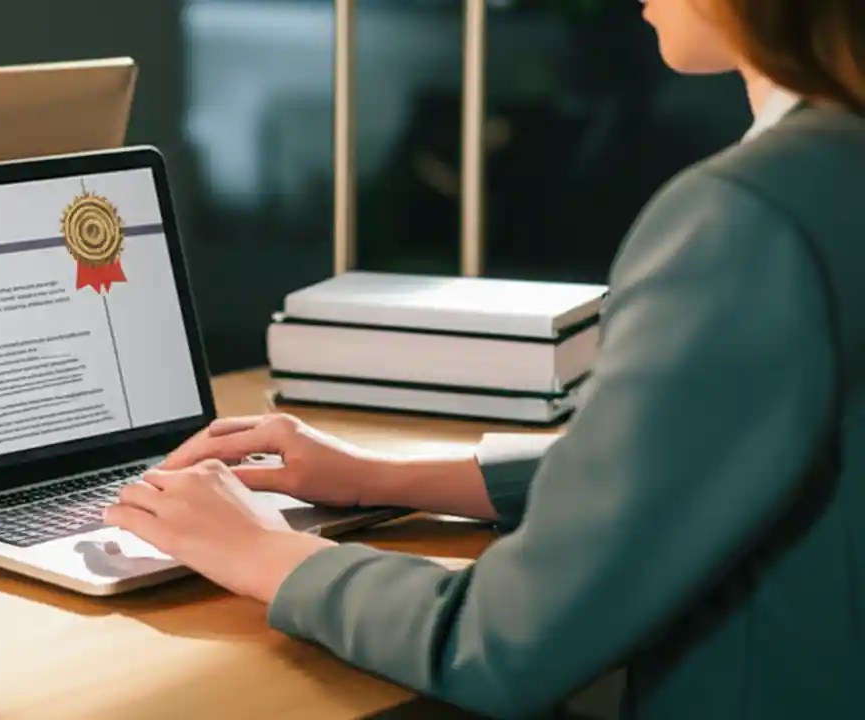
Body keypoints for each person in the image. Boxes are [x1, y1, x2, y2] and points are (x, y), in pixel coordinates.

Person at [105, 0, 865, 717]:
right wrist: (382, 479)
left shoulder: (749, 219)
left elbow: (506, 640)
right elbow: (687, 456)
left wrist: (261, 552)